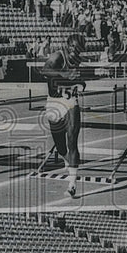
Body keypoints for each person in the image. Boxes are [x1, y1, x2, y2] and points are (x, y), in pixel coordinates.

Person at [40, 33, 86, 197]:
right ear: (68, 46)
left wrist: (81, 82)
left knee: (72, 141)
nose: (75, 51)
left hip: (70, 102)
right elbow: (44, 70)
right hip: (54, 102)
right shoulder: (57, 56)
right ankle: (68, 160)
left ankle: (72, 184)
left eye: (79, 49)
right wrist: (64, 75)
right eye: (73, 48)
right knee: (60, 147)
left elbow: (79, 79)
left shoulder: (78, 60)